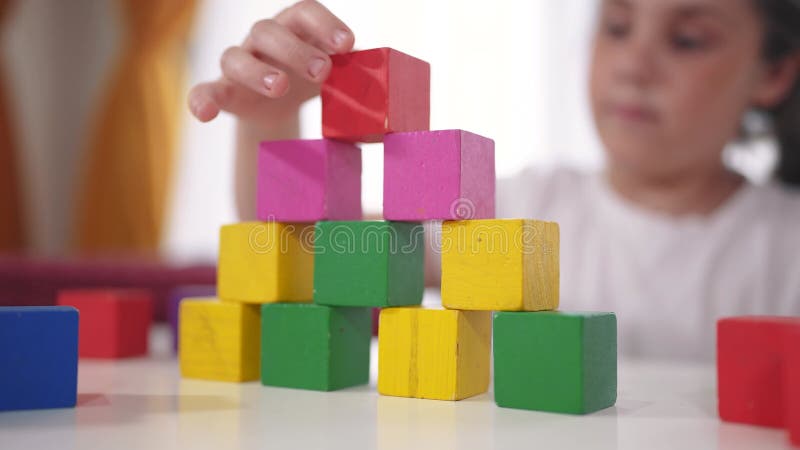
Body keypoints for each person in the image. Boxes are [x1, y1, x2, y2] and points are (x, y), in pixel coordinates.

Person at [187, 0, 800, 360]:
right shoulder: (512, 208)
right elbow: (306, 255)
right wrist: (271, 125)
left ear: (772, 72)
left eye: (688, 39)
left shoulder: (785, 245)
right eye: (616, 26)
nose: (635, 64)